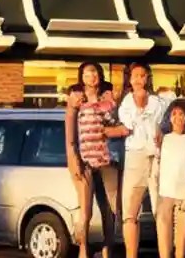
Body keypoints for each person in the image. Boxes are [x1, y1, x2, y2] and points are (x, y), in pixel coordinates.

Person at [108, 62, 165, 258]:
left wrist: (161, 132)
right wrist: (139, 105)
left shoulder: (158, 102)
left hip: (157, 157)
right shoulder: (126, 103)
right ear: (129, 79)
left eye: (143, 75)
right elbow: (128, 126)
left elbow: (163, 125)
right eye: (135, 76)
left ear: (148, 78)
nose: (139, 79)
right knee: (130, 213)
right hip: (135, 156)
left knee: (161, 211)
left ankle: (166, 252)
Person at [65, 62, 120, 258]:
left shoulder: (109, 98)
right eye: (87, 73)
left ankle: (108, 248)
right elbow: (70, 133)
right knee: (85, 210)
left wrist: (112, 105)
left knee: (110, 209)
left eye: (95, 73)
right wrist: (73, 158)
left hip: (107, 159)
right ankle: (83, 249)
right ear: (81, 77)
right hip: (85, 160)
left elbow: (116, 125)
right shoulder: (76, 99)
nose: (92, 76)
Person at [156, 98, 185, 258]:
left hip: (183, 193)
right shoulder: (165, 139)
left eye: (181, 114)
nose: (178, 117)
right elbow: (158, 167)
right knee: (164, 229)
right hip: (166, 191)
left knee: (181, 234)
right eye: (174, 114)